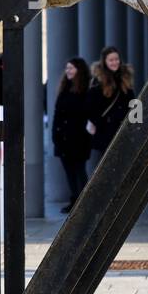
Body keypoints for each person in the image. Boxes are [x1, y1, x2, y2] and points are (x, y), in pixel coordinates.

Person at [52, 58, 93, 214]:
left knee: (79, 171)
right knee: (69, 172)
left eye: (71, 68)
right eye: (67, 68)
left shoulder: (86, 89)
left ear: (79, 70)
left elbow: (86, 113)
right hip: (63, 140)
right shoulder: (64, 88)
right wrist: (55, 135)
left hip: (79, 139)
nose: (68, 71)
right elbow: (57, 113)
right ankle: (75, 201)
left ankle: (83, 202)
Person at [85, 46, 135, 169]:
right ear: (105, 62)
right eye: (111, 60)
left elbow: (133, 103)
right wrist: (101, 123)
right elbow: (89, 107)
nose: (114, 62)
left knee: (122, 166)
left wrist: (135, 123)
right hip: (105, 133)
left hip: (123, 131)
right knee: (107, 167)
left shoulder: (125, 78)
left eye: (116, 59)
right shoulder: (98, 82)